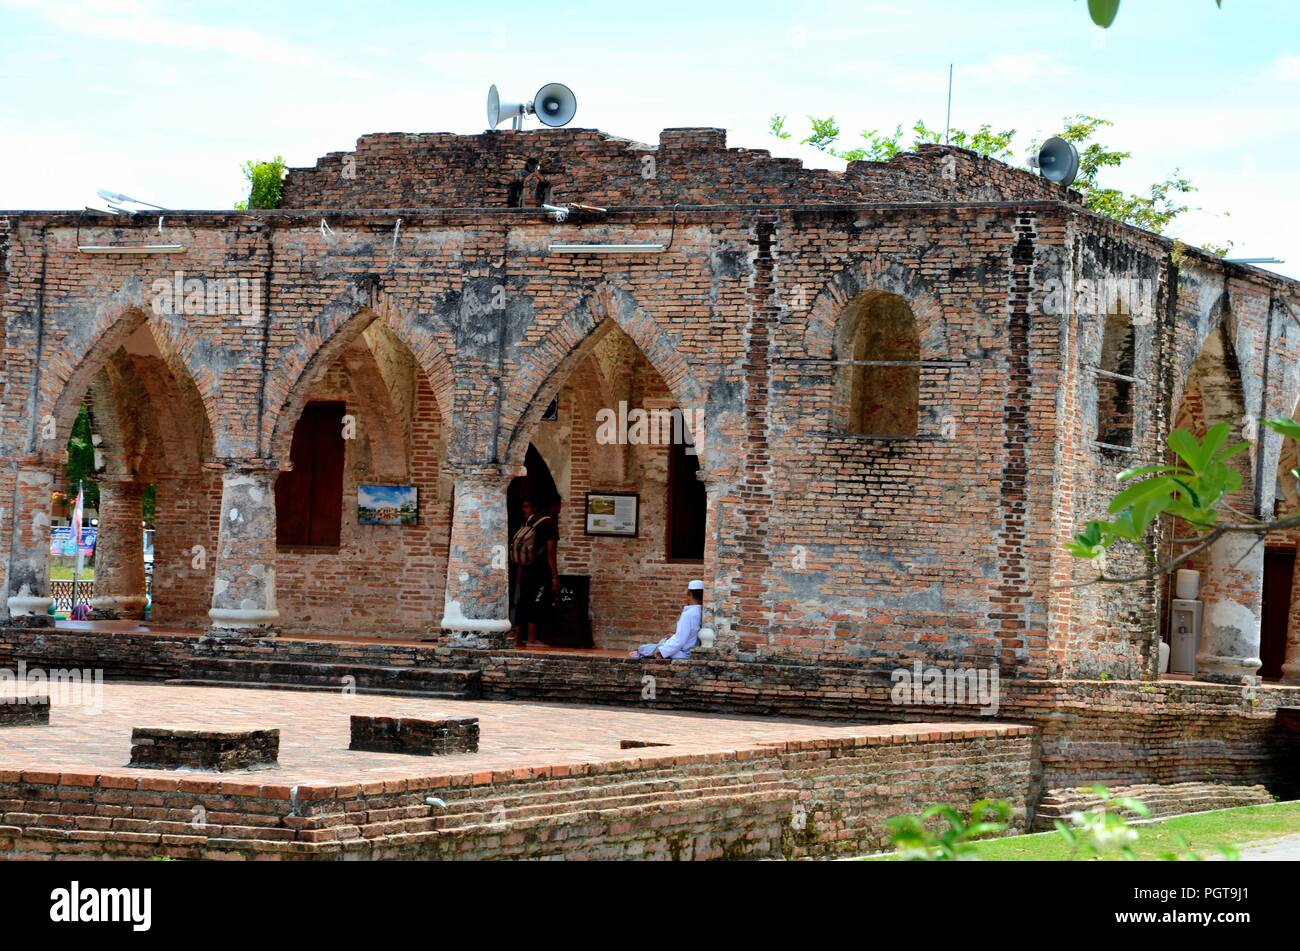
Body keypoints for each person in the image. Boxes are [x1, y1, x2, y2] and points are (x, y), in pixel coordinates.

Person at [510, 495, 560, 648]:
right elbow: (551, 551)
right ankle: (531, 639)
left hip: (525, 569)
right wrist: (554, 576)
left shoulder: (528, 522)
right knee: (537, 602)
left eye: (526, 507)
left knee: (523, 601)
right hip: (541, 570)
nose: (524, 510)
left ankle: (517, 639)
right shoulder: (548, 523)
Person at [630, 580, 704, 659]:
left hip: (683, 653)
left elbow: (680, 640)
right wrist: (673, 636)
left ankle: (639, 652)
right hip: (689, 650)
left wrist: (662, 651)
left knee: (644, 648)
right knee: (663, 641)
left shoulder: (689, 614)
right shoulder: (700, 611)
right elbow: (689, 635)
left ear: (689, 594)